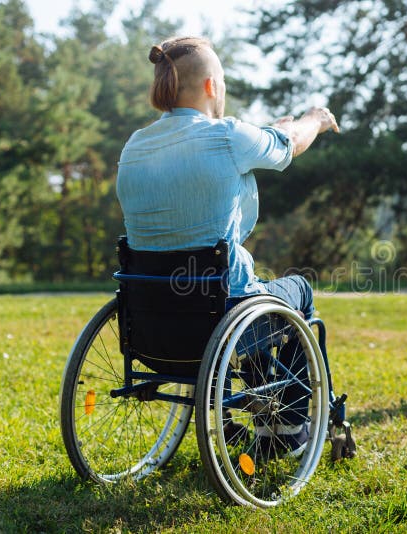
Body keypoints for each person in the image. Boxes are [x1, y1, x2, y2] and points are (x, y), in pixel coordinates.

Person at [115, 36, 339, 452]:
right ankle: (288, 430)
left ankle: (263, 410)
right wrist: (316, 118)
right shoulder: (227, 136)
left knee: (244, 288)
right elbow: (289, 143)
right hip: (222, 316)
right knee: (296, 292)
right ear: (211, 87)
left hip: (149, 327)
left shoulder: (134, 146)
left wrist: (275, 130)